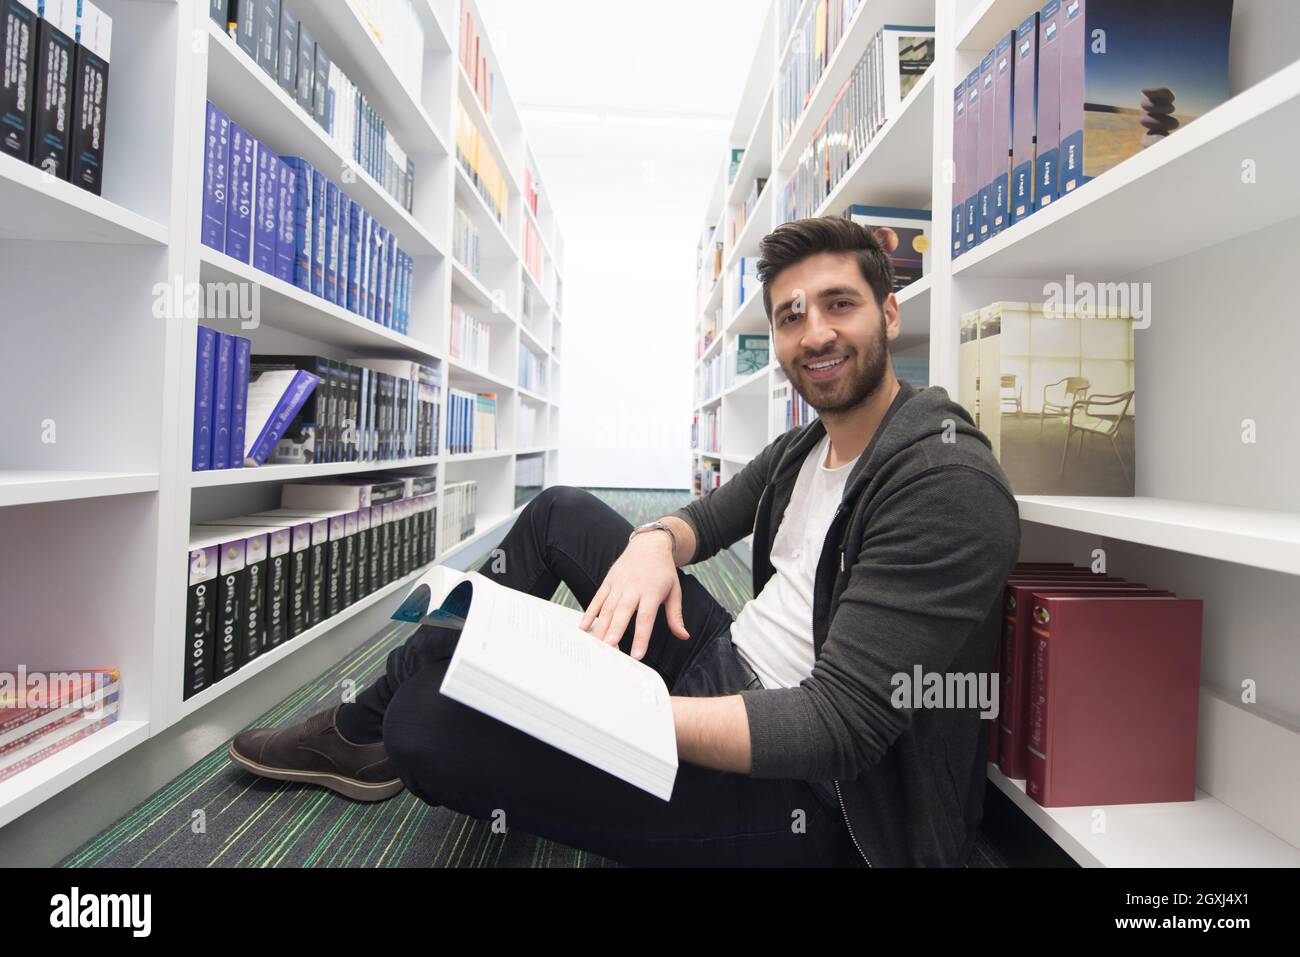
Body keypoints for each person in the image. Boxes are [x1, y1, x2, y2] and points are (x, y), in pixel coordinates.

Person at [228, 216, 1021, 867]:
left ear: (888, 314)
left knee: (426, 722)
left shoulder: (944, 485)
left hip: (819, 800)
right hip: (724, 664)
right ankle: (362, 730)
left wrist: (615, 707)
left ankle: (373, 729)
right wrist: (653, 542)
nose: (814, 334)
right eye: (790, 315)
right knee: (559, 512)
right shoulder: (809, 445)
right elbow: (701, 521)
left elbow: (834, 727)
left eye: (839, 304)